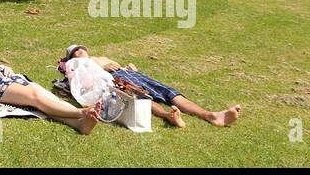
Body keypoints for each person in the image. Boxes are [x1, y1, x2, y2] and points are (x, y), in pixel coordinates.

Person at [59, 44, 242, 128]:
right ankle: (168, 116)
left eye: (81, 48)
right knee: (141, 98)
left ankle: (212, 115)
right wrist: (103, 67)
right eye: (75, 52)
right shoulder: (76, 67)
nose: (79, 51)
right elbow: (83, 84)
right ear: (71, 59)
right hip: (115, 79)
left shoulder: (98, 56)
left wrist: (129, 68)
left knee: (168, 92)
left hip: (128, 73)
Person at [0, 50, 101, 134]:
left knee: (41, 99)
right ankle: (80, 112)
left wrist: (4, 67)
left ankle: (80, 125)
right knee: (35, 97)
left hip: (7, 78)